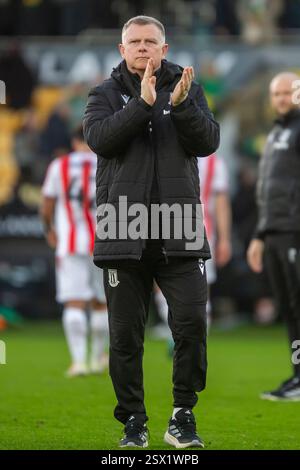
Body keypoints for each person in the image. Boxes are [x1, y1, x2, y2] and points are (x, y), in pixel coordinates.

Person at [83, 15, 219, 448]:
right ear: (122, 50)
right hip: (122, 228)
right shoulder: (103, 94)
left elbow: (208, 142)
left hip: (179, 229)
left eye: (151, 41)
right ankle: (134, 422)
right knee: (125, 336)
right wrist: (139, 105)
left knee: (193, 322)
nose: (143, 48)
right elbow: (99, 140)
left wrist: (180, 108)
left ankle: (182, 414)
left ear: (165, 48)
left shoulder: (188, 89)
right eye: (134, 42)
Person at [247, 71, 300, 401]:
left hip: (296, 230)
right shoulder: (276, 133)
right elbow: (270, 191)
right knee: (290, 308)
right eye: (276, 93)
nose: (281, 98)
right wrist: (260, 234)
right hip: (276, 231)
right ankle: (298, 376)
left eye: (288, 92)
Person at [40, 126, 108, 377]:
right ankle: (99, 358)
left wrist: (50, 229)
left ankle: (78, 362)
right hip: (103, 243)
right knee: (103, 302)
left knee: (74, 302)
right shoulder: (108, 161)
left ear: (74, 141)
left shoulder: (60, 166)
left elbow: (47, 205)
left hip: (70, 242)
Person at [155, 152, 232, 333]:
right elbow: (221, 203)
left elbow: (221, 203)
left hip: (176, 228)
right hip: (197, 231)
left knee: (166, 282)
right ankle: (193, 339)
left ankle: (177, 335)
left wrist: (225, 240)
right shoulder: (214, 161)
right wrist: (224, 240)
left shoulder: (166, 151)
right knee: (198, 288)